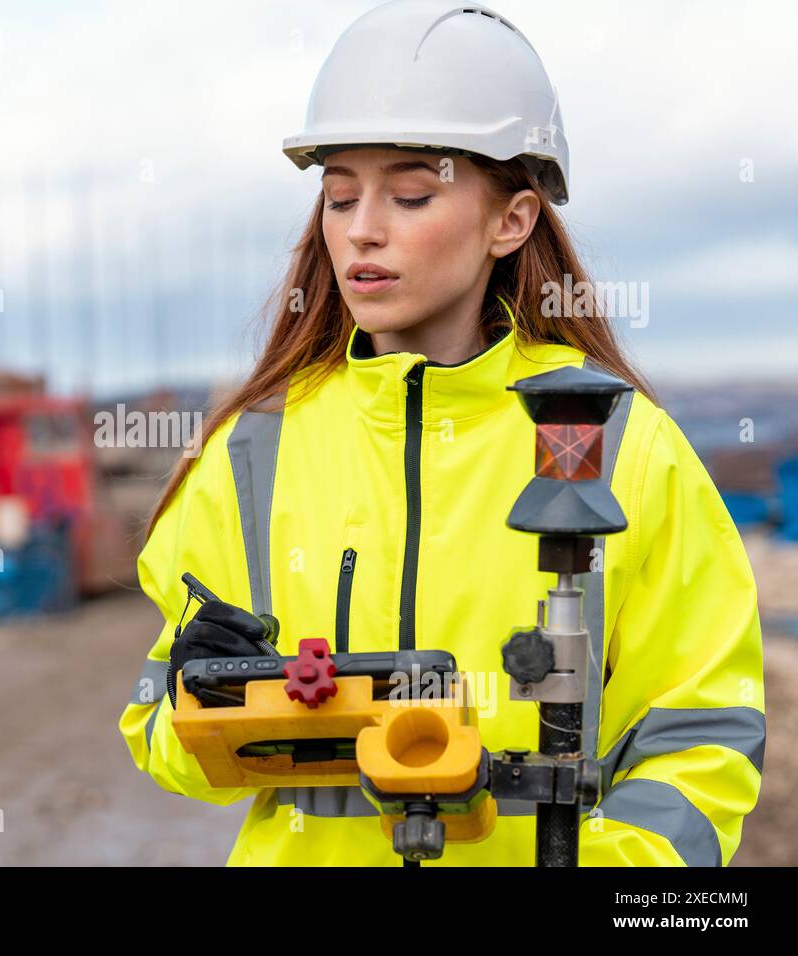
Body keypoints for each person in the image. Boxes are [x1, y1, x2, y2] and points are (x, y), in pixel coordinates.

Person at [117, 0, 765, 866]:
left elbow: (701, 735)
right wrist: (203, 694)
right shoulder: (253, 452)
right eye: (340, 196)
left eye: (412, 193)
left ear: (513, 220)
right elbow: (162, 738)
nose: (362, 229)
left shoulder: (617, 446)